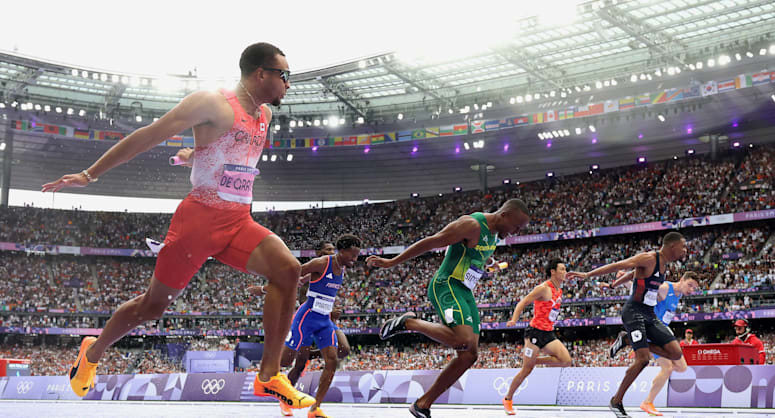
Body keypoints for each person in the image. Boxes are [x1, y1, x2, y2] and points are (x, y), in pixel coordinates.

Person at [42, 42, 314, 410]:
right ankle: (93, 351)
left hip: (238, 220)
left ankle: (269, 376)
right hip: (197, 223)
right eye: (285, 75)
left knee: (288, 271)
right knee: (151, 307)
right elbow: (150, 135)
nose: (288, 84)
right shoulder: (213, 103)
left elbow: (228, 160)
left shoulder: (264, 115)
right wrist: (90, 175)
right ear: (261, 73)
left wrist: (194, 155)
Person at [366, 199, 531, 418]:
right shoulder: (471, 225)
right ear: (505, 215)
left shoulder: (494, 234)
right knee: (461, 340)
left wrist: (488, 263)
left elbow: (478, 253)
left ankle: (422, 404)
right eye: (516, 226)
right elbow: (431, 242)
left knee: (469, 354)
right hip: (447, 285)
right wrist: (391, 262)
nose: (516, 232)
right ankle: (408, 322)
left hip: (464, 292)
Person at [566, 231, 688, 418]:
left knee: (675, 352)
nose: (686, 250)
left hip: (649, 313)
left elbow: (633, 274)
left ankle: (626, 340)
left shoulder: (664, 264)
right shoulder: (649, 258)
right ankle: (616, 401)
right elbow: (619, 265)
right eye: (683, 246)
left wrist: (614, 285)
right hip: (634, 312)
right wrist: (587, 274)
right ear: (672, 246)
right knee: (643, 359)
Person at [282, 234, 361, 418]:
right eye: (353, 255)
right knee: (289, 362)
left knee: (334, 359)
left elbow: (327, 294)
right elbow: (295, 275)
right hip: (306, 318)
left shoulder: (342, 268)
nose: (356, 259)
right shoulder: (320, 264)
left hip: (324, 320)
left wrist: (331, 310)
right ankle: (282, 396)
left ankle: (315, 408)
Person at [605, 271, 700, 416]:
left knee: (681, 367)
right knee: (667, 367)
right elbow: (640, 291)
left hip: (661, 333)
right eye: (690, 285)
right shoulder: (665, 288)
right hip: (651, 331)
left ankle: (628, 340)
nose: (691, 290)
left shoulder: (678, 294)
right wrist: (624, 280)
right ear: (681, 280)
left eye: (694, 288)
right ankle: (647, 402)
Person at [502, 259, 572, 415]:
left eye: (565, 269)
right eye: (562, 269)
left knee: (566, 361)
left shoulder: (559, 289)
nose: (565, 272)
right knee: (526, 370)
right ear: (553, 271)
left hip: (548, 333)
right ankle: (507, 399)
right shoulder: (543, 288)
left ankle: (535, 360)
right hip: (534, 333)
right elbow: (523, 302)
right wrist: (514, 319)